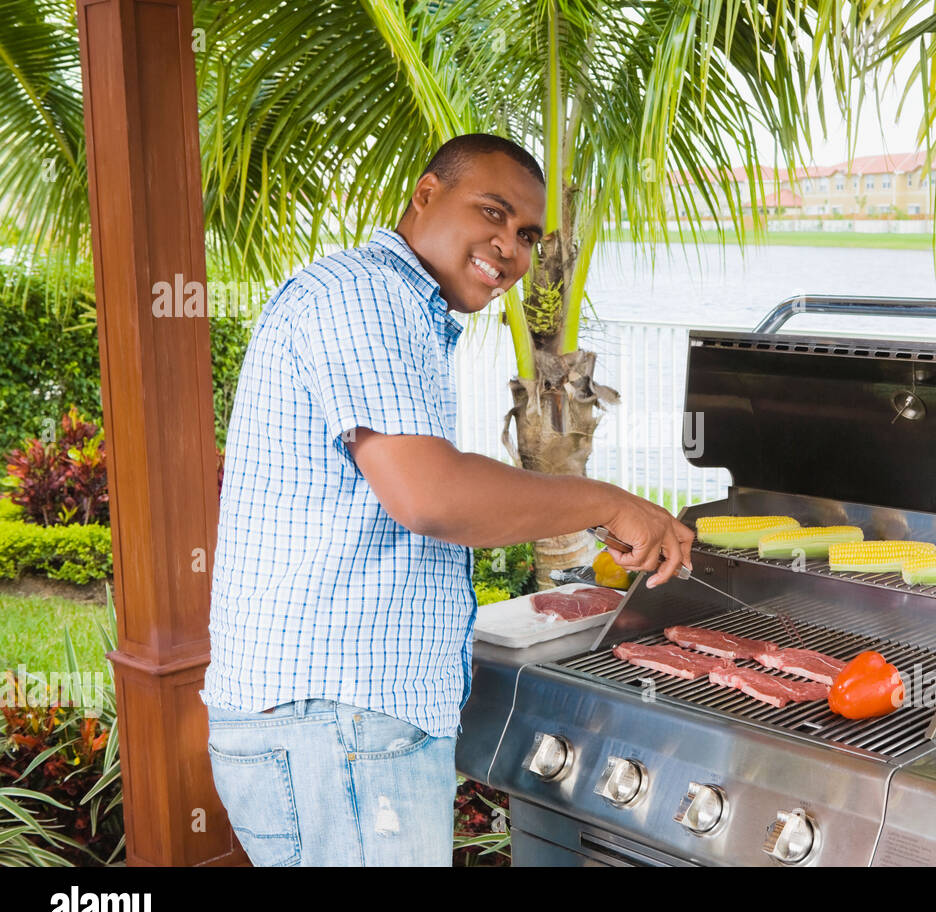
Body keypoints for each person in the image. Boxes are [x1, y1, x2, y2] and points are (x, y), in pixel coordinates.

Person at [200, 133, 693, 866]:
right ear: (426, 195)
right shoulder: (364, 298)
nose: (511, 249)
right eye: (491, 214)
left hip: (336, 722)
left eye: (526, 234)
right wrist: (609, 502)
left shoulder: (397, 307)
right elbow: (432, 495)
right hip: (338, 724)